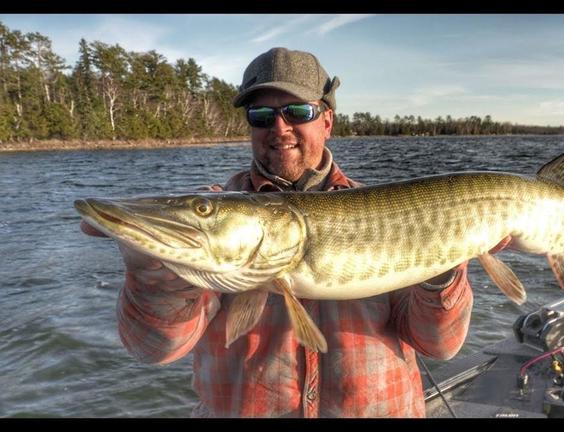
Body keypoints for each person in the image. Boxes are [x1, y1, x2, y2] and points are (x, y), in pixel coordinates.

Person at [81, 47, 511, 418]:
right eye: (262, 114)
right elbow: (154, 349)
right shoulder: (214, 238)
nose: (279, 127)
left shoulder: (394, 212)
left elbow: (439, 345)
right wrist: (150, 271)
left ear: (327, 121)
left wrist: (443, 270)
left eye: (298, 111)